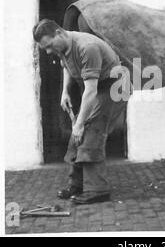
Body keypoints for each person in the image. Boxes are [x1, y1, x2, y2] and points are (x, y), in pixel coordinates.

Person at [33, 19, 130, 204]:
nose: (48, 51)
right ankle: (77, 184)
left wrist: (79, 124)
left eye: (49, 45)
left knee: (91, 129)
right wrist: (65, 92)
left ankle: (98, 190)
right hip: (99, 87)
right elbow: (67, 66)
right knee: (79, 132)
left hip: (116, 87)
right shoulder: (62, 46)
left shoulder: (87, 47)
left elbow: (91, 91)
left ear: (59, 33)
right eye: (45, 48)